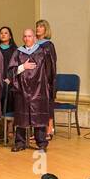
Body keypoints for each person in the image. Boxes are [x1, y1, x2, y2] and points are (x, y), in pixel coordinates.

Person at [9, 23, 56, 152]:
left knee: (39, 118)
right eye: (25, 36)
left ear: (34, 38)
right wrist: (23, 67)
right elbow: (10, 71)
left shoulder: (42, 52)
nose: (27, 38)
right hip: (22, 90)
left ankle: (41, 143)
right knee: (21, 117)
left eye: (30, 36)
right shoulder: (18, 52)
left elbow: (50, 70)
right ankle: (20, 142)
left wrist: (47, 86)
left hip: (39, 89)